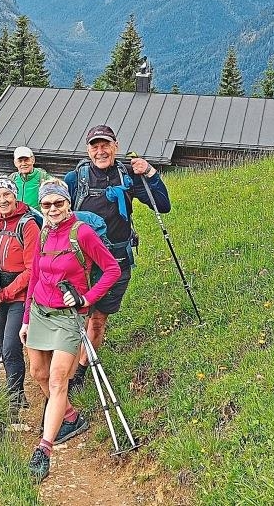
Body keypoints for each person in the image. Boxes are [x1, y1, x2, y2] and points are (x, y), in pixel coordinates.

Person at [21, 179, 122, 482]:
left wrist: (87, 298)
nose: (53, 209)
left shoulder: (83, 233)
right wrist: (26, 317)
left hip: (68, 317)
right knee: (38, 373)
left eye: (58, 203)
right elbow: (36, 275)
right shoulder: (42, 232)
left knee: (56, 381)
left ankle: (44, 449)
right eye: (47, 204)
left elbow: (112, 269)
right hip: (40, 311)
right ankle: (70, 417)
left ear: (68, 204)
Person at [63, 124, 171, 395]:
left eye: (105, 145)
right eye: (95, 146)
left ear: (115, 146)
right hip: (81, 262)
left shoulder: (128, 176)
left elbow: (163, 205)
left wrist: (150, 173)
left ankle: (80, 372)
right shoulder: (75, 179)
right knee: (75, 317)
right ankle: (65, 365)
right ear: (88, 149)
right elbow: (56, 211)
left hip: (117, 260)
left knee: (98, 318)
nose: (100, 151)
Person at [0, 176, 40, 414]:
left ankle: (15, 397)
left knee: (10, 347)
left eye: (7, 195)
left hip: (18, 295)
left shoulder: (28, 225)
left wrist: (4, 294)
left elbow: (31, 268)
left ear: (15, 196)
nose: (2, 200)